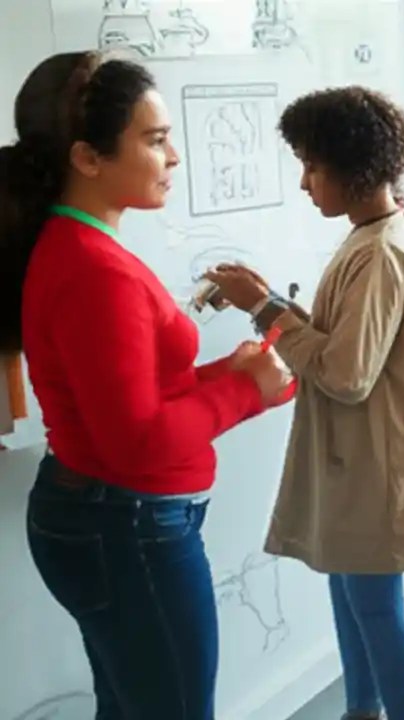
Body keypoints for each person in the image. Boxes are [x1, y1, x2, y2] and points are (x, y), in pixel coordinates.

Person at [2, 53, 290, 719]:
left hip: (111, 519)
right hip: (125, 527)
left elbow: (136, 394)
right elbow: (136, 440)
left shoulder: (80, 248)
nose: (174, 157)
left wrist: (232, 373)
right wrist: (246, 391)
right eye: (155, 140)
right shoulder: (95, 271)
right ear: (87, 157)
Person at [205, 86, 404, 720]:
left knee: (374, 607)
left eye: (312, 165)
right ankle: (361, 709)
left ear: (352, 164)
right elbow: (343, 342)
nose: (305, 183)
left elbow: (347, 372)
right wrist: (271, 302)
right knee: (351, 594)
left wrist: (264, 309)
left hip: (372, 459)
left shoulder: (381, 249)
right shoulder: (375, 235)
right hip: (361, 455)